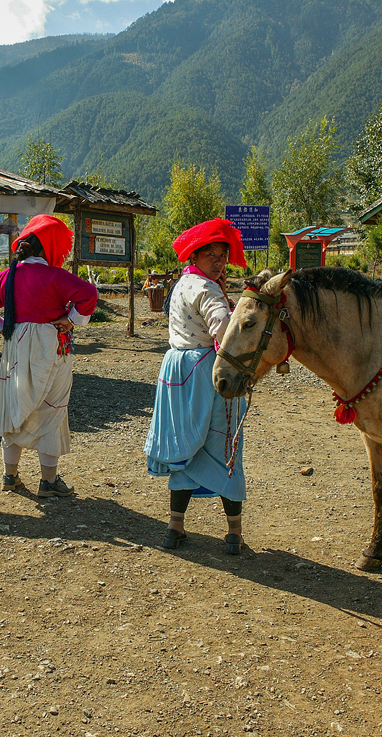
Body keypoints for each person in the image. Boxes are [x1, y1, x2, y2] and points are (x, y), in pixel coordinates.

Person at [144, 219, 249, 554]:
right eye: (211, 254)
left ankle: (174, 529)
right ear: (196, 254)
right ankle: (234, 535)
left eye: (223, 255)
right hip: (207, 371)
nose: (219, 261)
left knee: (185, 446)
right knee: (225, 447)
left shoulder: (183, 283)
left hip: (177, 370)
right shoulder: (207, 289)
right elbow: (222, 328)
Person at [0, 215, 98, 497]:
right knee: (51, 410)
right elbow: (89, 294)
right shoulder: (55, 277)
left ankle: (9, 475)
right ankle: (49, 481)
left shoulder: (7, 276)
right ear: (51, 247)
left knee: (13, 407)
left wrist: (3, 326)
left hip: (14, 347)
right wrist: (70, 319)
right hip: (50, 347)